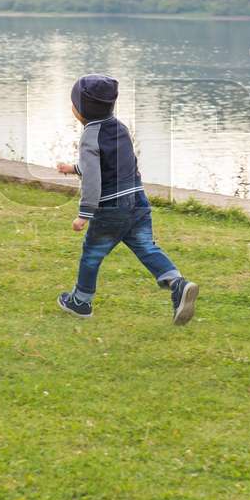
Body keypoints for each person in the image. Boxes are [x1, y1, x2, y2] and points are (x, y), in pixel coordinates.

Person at [54, 74, 198, 324]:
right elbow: (112, 164)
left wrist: (84, 213)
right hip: (137, 200)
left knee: (92, 253)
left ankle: (81, 301)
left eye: (73, 103)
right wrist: (74, 168)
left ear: (81, 110)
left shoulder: (90, 135)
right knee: (146, 247)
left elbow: (94, 178)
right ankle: (177, 283)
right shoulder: (120, 128)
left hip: (111, 207)